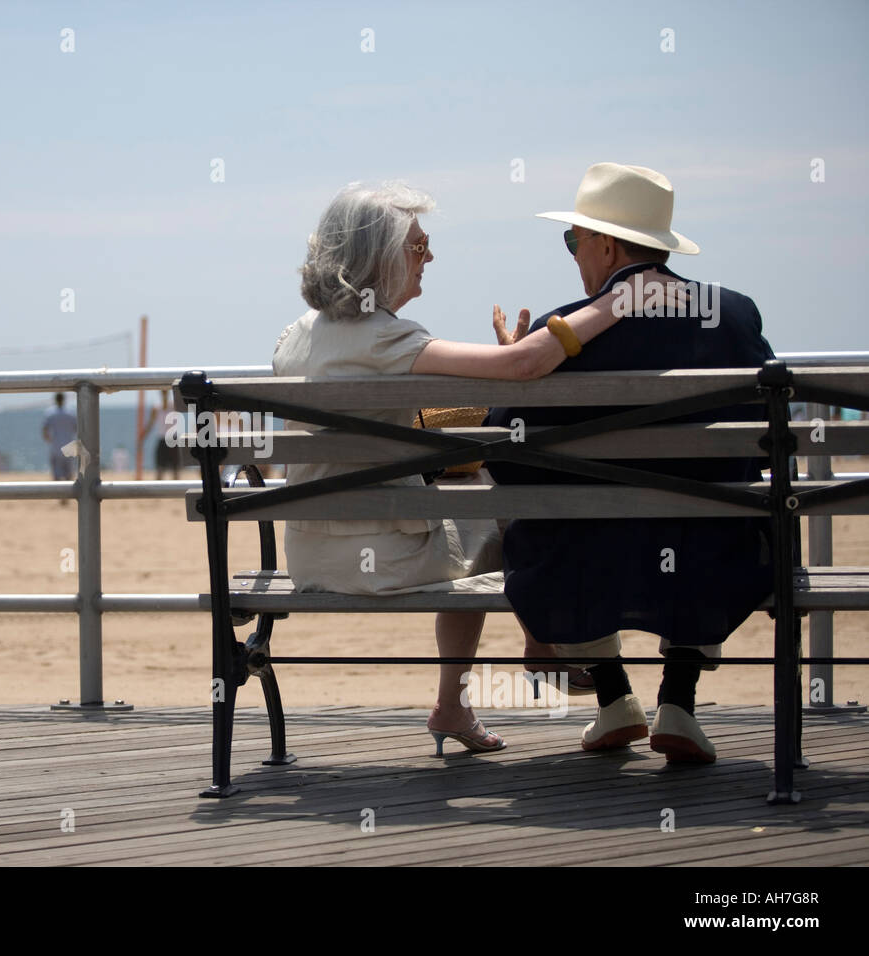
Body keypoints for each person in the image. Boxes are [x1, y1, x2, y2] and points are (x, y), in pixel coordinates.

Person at [274, 181, 630, 755]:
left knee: (470, 496)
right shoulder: (387, 337)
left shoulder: (292, 338)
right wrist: (610, 306)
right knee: (507, 510)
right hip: (381, 561)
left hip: (309, 553)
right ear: (380, 255)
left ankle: (470, 696)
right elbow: (520, 367)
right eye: (418, 246)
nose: (430, 257)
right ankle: (541, 651)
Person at [484, 163, 776, 763]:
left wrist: (512, 369)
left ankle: (615, 700)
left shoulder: (561, 332)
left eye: (575, 240)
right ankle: (679, 705)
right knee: (708, 521)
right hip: (712, 555)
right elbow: (764, 436)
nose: (572, 255)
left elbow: (506, 457)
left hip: (584, 561)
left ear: (608, 246)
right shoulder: (736, 315)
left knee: (555, 528)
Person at [42, 393, 78, 505]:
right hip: (69, 446)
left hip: (56, 446)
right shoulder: (70, 413)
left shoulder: (50, 413)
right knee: (68, 473)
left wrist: (49, 440)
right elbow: (76, 428)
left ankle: (60, 496)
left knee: (57, 474)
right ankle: (66, 496)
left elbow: (45, 430)